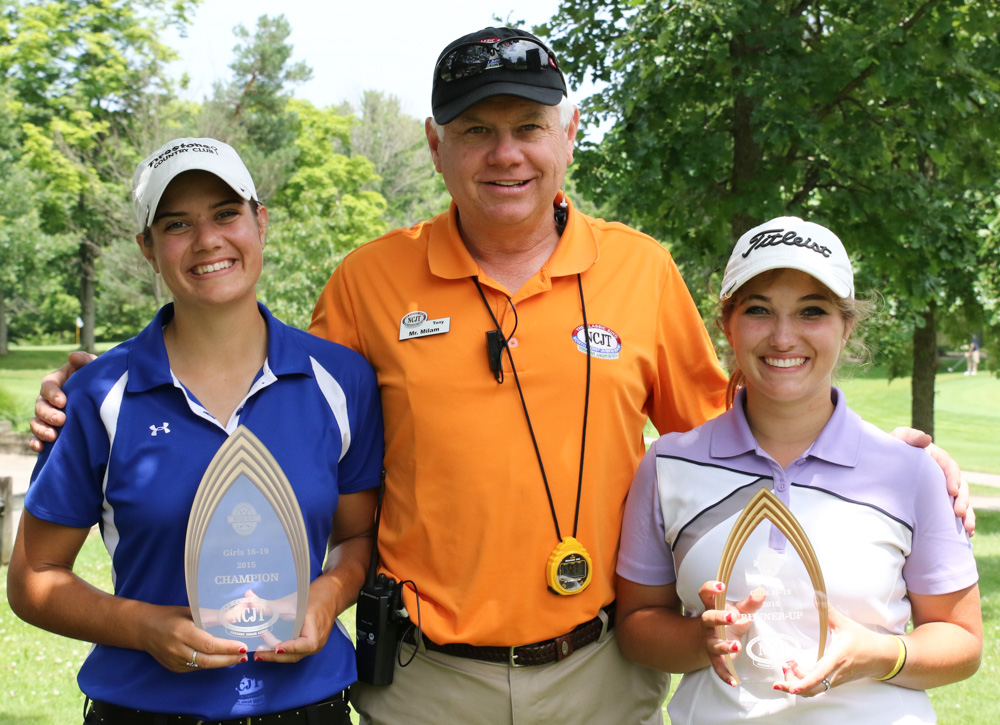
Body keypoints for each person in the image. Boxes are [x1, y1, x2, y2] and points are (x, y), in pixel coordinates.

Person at [29, 29, 974, 725]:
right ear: (436, 146)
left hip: (600, 668)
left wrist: (892, 455)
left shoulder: (641, 271)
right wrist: (100, 384)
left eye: (528, 125)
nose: (505, 153)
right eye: (475, 130)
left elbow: (740, 425)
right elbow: (268, 389)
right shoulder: (370, 280)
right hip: (424, 680)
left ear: (568, 133)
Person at [8, 138, 384, 724]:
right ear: (148, 250)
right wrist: (144, 626)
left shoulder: (340, 380)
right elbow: (34, 578)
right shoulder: (96, 396)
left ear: (261, 223)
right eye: (177, 224)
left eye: (227, 213)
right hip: (144, 710)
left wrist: (329, 595)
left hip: (307, 707)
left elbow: (357, 538)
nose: (207, 240)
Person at [615, 217, 982, 724]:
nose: (783, 337)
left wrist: (882, 654)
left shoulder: (910, 471)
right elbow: (636, 626)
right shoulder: (669, 465)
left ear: (846, 325)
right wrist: (699, 638)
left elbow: (962, 641)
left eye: (812, 311)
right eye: (759, 310)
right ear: (727, 323)